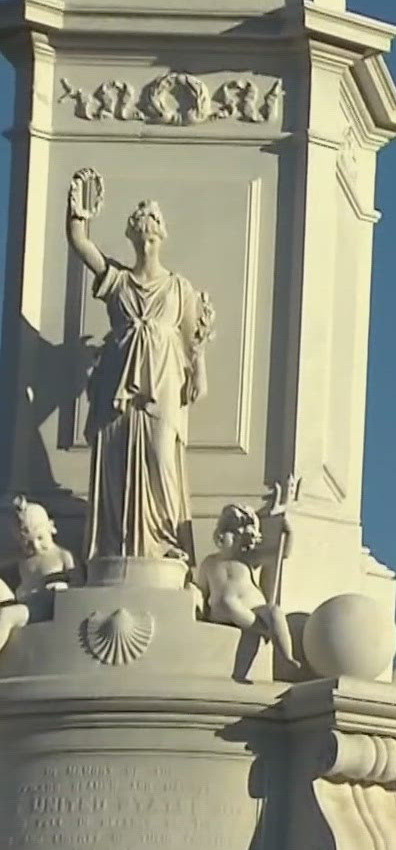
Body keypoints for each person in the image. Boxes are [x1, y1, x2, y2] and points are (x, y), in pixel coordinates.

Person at [65, 168, 213, 563]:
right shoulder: (119, 280)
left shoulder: (179, 287)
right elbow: (81, 245)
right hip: (118, 374)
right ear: (132, 238)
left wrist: (198, 372)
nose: (146, 243)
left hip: (164, 374)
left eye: (152, 237)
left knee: (161, 454)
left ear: (161, 238)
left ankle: (164, 540)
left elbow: (193, 337)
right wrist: (79, 216)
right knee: (116, 456)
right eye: (140, 237)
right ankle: (116, 542)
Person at [194, 502, 296, 667]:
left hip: (252, 608)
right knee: (228, 600)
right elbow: (202, 590)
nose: (230, 539)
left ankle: (287, 655)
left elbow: (282, 553)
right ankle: (263, 630)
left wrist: (288, 531)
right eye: (228, 534)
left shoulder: (248, 559)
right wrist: (201, 610)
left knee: (275, 611)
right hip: (221, 610)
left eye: (236, 535)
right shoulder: (210, 562)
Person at [9, 496, 75, 596]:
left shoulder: (63, 556)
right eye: (28, 543)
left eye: (40, 538)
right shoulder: (21, 562)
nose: (36, 546)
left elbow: (76, 583)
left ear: (51, 527)